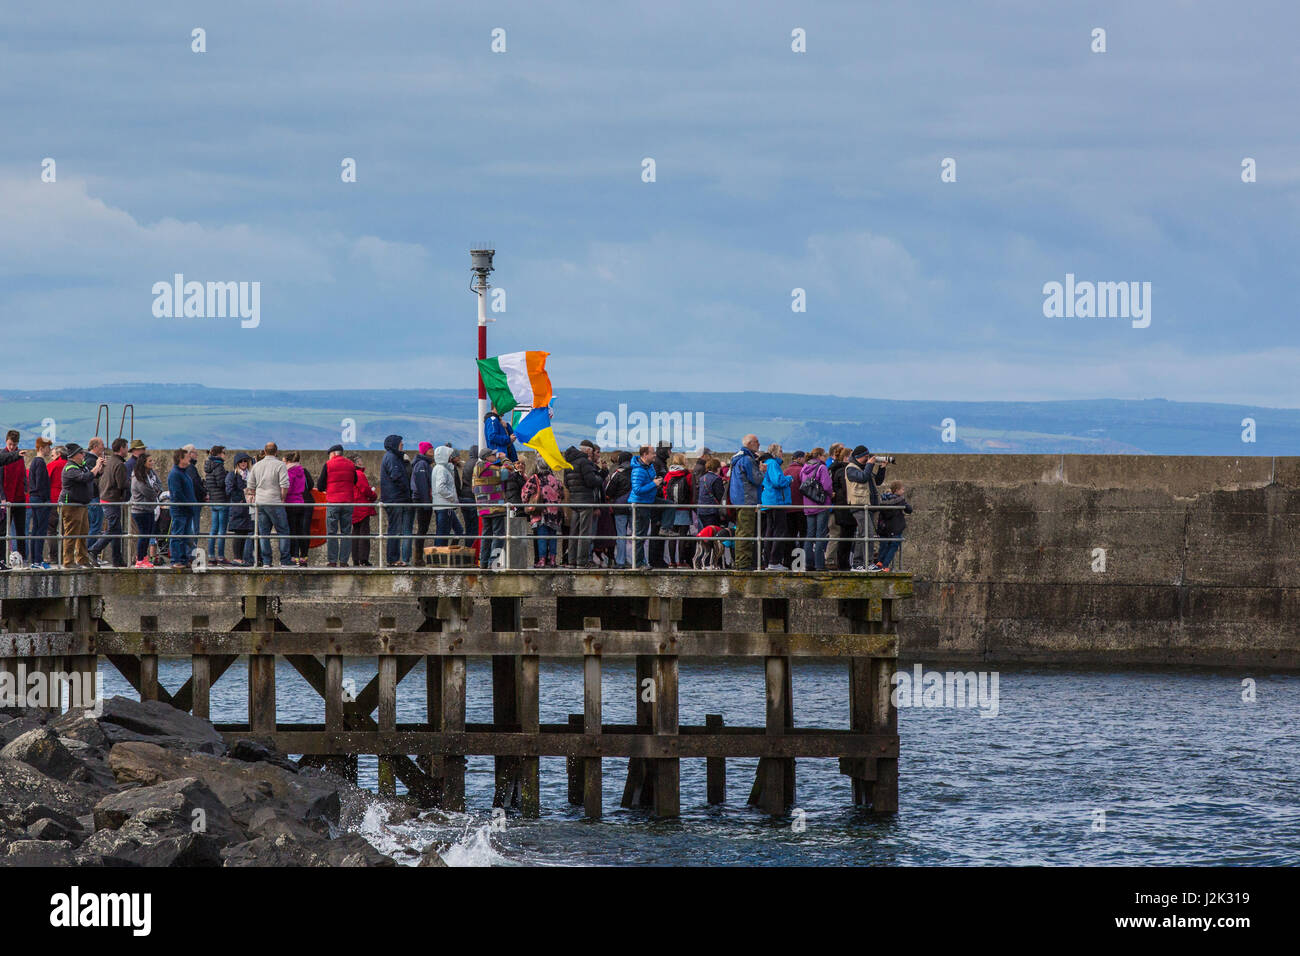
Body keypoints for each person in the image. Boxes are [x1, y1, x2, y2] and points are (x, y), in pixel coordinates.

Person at [247, 442, 290, 567]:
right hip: (275, 501)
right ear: (276, 452)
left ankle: (266, 561)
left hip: (260, 502)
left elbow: (250, 486)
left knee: (263, 533)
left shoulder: (257, 466)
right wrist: (282, 498)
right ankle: (285, 560)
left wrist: (256, 495)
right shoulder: (280, 465)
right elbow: (284, 485)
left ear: (264, 452)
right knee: (283, 531)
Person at [88, 438, 130, 567]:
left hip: (105, 498)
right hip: (112, 500)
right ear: (122, 448)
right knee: (113, 529)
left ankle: (117, 558)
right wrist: (128, 488)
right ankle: (94, 550)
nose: (127, 450)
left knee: (116, 529)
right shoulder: (119, 464)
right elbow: (122, 484)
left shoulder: (111, 461)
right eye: (126, 447)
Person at [844, 445, 887, 572]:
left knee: (864, 534)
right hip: (858, 505)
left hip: (868, 506)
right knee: (867, 534)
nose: (868, 459)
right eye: (866, 457)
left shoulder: (864, 468)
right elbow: (862, 478)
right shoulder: (851, 468)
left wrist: (882, 468)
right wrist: (869, 465)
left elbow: (877, 481)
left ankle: (859, 563)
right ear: (858, 457)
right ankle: (865, 563)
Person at [562, 442, 603, 568]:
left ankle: (571, 560)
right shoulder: (584, 462)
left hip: (574, 501)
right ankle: (582, 561)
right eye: (591, 452)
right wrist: (600, 478)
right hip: (586, 501)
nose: (591, 454)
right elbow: (591, 481)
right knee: (584, 532)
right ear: (587, 451)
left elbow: (566, 483)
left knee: (573, 532)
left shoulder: (568, 462)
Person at [316, 444, 356, 567]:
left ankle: (332, 561)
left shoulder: (328, 465)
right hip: (348, 502)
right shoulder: (351, 464)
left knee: (332, 532)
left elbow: (320, 485)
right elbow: (355, 481)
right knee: (346, 532)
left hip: (333, 502)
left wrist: (327, 489)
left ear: (333, 454)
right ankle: (344, 561)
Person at [57, 444, 96, 569]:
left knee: (83, 532)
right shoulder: (70, 468)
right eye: (81, 453)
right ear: (74, 456)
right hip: (71, 505)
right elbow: (85, 478)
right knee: (71, 533)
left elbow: (90, 476)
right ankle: (68, 561)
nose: (83, 455)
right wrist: (96, 467)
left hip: (82, 504)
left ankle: (82, 559)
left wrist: (98, 470)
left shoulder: (81, 466)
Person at [729, 434, 763, 571]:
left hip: (738, 499)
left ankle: (740, 561)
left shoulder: (737, 458)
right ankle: (743, 564)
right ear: (749, 443)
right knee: (746, 532)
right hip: (746, 499)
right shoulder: (747, 460)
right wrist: (761, 471)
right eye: (756, 442)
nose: (759, 444)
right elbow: (757, 479)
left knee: (741, 532)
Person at [521, 458, 563, 567]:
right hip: (554, 513)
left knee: (542, 536)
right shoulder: (554, 479)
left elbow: (525, 495)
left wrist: (529, 502)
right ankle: (553, 560)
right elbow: (561, 494)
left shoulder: (535, 479)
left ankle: (542, 561)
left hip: (541, 513)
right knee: (553, 537)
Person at [799, 448, 834, 571]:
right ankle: (819, 565)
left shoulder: (804, 468)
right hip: (821, 504)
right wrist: (831, 494)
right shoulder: (822, 468)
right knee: (820, 535)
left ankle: (808, 563)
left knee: (809, 534)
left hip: (808, 505)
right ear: (819, 456)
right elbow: (827, 486)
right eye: (824, 455)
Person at [380, 434, 412, 566]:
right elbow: (397, 476)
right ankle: (393, 559)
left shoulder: (392, 457)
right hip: (395, 498)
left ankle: (394, 558)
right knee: (395, 529)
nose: (402, 445)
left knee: (395, 529)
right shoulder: (392, 458)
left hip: (394, 498)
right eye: (400, 443)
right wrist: (406, 491)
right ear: (394, 444)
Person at [473, 448, 507, 569]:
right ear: (487, 457)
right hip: (495, 507)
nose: (495, 456)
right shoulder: (490, 469)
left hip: (483, 508)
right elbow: (508, 472)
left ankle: (483, 562)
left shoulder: (476, 469)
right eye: (493, 455)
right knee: (499, 535)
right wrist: (504, 459)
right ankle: (493, 562)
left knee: (486, 535)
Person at [760, 444, 792, 570]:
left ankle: (769, 560)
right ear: (775, 452)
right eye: (781, 451)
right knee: (779, 530)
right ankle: (774, 561)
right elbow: (778, 482)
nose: (782, 453)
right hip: (777, 502)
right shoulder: (773, 464)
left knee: (770, 530)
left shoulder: (767, 463)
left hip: (769, 501)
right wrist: (789, 479)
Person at [628, 445, 661, 567]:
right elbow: (637, 489)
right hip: (639, 504)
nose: (655, 455)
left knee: (642, 535)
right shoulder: (638, 470)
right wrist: (653, 484)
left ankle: (641, 561)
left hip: (647, 502)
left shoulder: (649, 466)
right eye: (653, 453)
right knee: (639, 535)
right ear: (645, 455)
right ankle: (638, 563)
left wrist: (655, 482)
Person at [166, 447, 200, 568]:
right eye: (187, 457)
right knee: (177, 535)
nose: (189, 458)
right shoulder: (175, 474)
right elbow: (177, 494)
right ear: (181, 459)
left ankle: (184, 559)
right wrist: (188, 504)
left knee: (185, 536)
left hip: (187, 510)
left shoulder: (183, 473)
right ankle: (176, 560)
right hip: (180, 510)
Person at [129, 453, 162, 568]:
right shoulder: (138, 478)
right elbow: (149, 493)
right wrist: (155, 491)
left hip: (148, 509)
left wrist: (155, 490)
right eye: (150, 461)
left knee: (147, 535)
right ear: (144, 463)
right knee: (143, 535)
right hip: (140, 510)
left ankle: (144, 558)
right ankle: (140, 559)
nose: (152, 463)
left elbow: (159, 486)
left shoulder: (150, 474)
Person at [661, 453, 693, 567]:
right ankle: (681, 561)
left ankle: (672, 561)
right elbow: (691, 491)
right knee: (682, 536)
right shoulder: (687, 474)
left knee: (672, 536)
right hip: (684, 508)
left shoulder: (669, 474)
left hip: (671, 509)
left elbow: (664, 490)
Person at [26, 438, 53, 568]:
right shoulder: (41, 463)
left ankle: (35, 560)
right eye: (48, 447)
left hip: (34, 498)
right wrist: (46, 500)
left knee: (36, 529)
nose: (50, 450)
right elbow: (41, 484)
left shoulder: (33, 462)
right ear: (41, 448)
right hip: (41, 499)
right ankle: (38, 560)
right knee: (40, 530)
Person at [873, 481, 912, 572]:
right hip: (896, 527)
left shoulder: (884, 499)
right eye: (902, 489)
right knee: (894, 545)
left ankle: (879, 562)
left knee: (885, 545)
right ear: (897, 490)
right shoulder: (900, 500)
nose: (903, 491)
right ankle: (885, 565)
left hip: (884, 527)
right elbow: (909, 510)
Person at [604, 451, 633, 568]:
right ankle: (638, 561)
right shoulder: (636, 472)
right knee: (637, 535)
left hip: (620, 507)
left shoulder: (617, 473)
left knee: (621, 535)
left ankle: (621, 561)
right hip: (634, 506)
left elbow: (608, 491)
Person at [2, 430, 28, 562]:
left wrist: (25, 488)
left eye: (14, 444)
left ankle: (23, 556)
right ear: (6, 441)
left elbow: (23, 473)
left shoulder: (20, 455)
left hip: (19, 498)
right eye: (10, 444)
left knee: (21, 530)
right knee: (4, 531)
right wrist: (2, 496)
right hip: (6, 499)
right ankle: (4, 558)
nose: (12, 447)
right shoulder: (3, 455)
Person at [225, 453, 254, 565]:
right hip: (238, 508)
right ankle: (237, 558)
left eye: (245, 461)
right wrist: (242, 495)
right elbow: (229, 491)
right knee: (238, 533)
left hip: (249, 508)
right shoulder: (232, 475)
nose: (243, 463)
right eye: (241, 461)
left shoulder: (250, 475)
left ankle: (245, 559)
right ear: (237, 463)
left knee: (247, 532)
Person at [431, 445, 462, 549]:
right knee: (443, 533)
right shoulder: (441, 470)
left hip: (443, 505)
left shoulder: (438, 468)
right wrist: (452, 496)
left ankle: (441, 554)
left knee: (447, 531)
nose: (451, 457)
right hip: (444, 505)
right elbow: (440, 488)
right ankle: (439, 556)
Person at [283, 451, 311, 566]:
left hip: (290, 503)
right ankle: (303, 557)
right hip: (301, 502)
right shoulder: (301, 471)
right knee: (301, 530)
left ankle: (294, 556)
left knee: (292, 530)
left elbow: (287, 488)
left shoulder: (290, 472)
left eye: (284, 461)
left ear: (289, 461)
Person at [410, 441, 435, 565]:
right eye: (430, 449)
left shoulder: (425, 464)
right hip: (422, 500)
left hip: (423, 499)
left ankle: (418, 557)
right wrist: (426, 503)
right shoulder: (422, 464)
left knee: (423, 529)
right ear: (424, 451)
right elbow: (422, 485)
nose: (432, 450)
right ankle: (418, 558)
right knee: (422, 528)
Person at [204, 445, 230, 564]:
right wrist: (227, 476)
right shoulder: (219, 467)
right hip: (222, 500)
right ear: (219, 454)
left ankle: (211, 556)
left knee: (213, 529)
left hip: (213, 500)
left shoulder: (208, 466)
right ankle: (220, 556)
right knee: (221, 530)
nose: (225, 455)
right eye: (224, 453)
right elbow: (221, 483)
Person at [351, 455, 377, 566]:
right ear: (356, 463)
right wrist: (373, 495)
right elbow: (365, 490)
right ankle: (363, 559)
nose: (362, 462)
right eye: (360, 460)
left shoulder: (351, 474)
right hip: (362, 507)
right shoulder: (359, 474)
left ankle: (356, 559)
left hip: (354, 506)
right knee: (364, 533)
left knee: (356, 532)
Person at [783, 451, 807, 560]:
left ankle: (788, 560)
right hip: (801, 507)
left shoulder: (785, 471)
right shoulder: (802, 471)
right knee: (803, 535)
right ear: (799, 459)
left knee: (789, 535)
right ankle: (802, 560)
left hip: (788, 508)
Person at [48, 445, 67, 566]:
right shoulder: (70, 465)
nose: (51, 457)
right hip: (67, 501)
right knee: (66, 530)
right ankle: (66, 556)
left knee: (51, 530)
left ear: (58, 454)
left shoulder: (52, 465)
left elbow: (45, 482)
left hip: (53, 500)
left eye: (53, 455)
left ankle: (53, 557)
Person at [85, 436, 105, 545]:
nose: (103, 447)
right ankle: (89, 551)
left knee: (94, 525)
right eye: (102, 445)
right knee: (96, 525)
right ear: (95, 447)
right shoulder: (91, 460)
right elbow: (92, 478)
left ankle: (89, 552)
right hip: (93, 497)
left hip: (92, 496)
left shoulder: (89, 459)